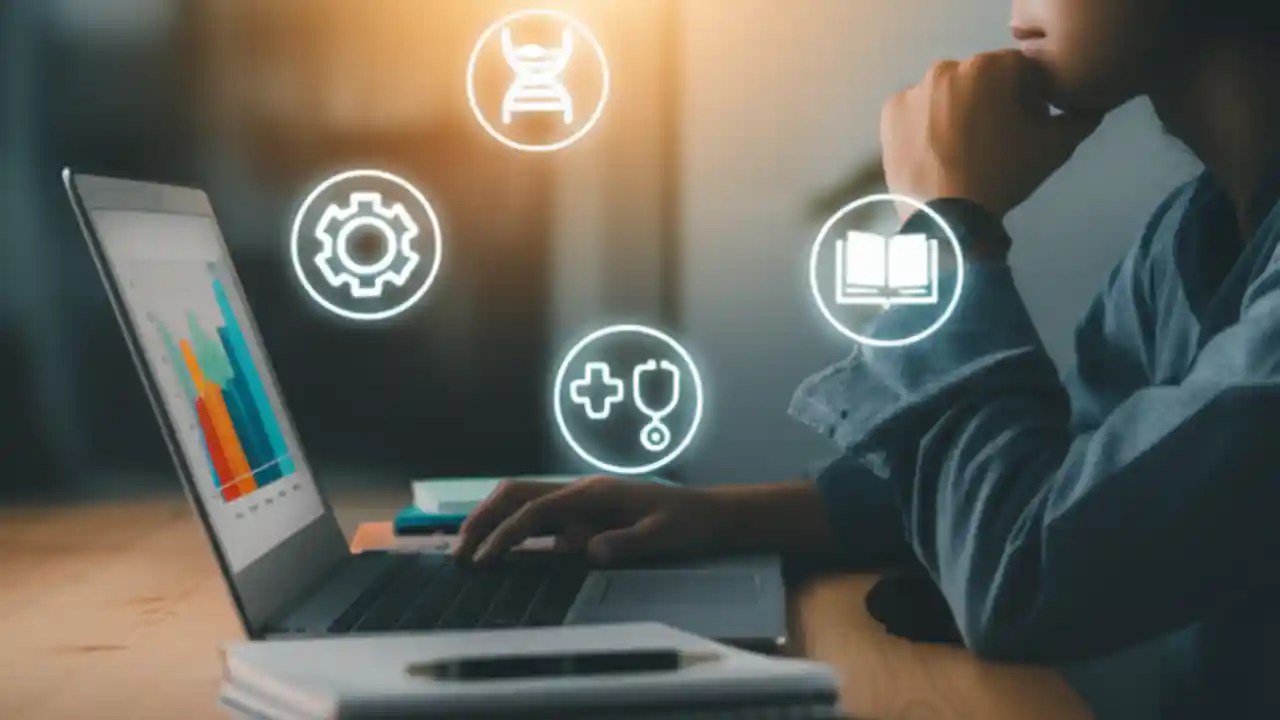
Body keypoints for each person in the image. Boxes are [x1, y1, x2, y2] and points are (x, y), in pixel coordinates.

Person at [456, 0, 1280, 715]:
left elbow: (1024, 573)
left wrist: (953, 230)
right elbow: (1057, 484)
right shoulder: (1195, 236)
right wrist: (721, 517)